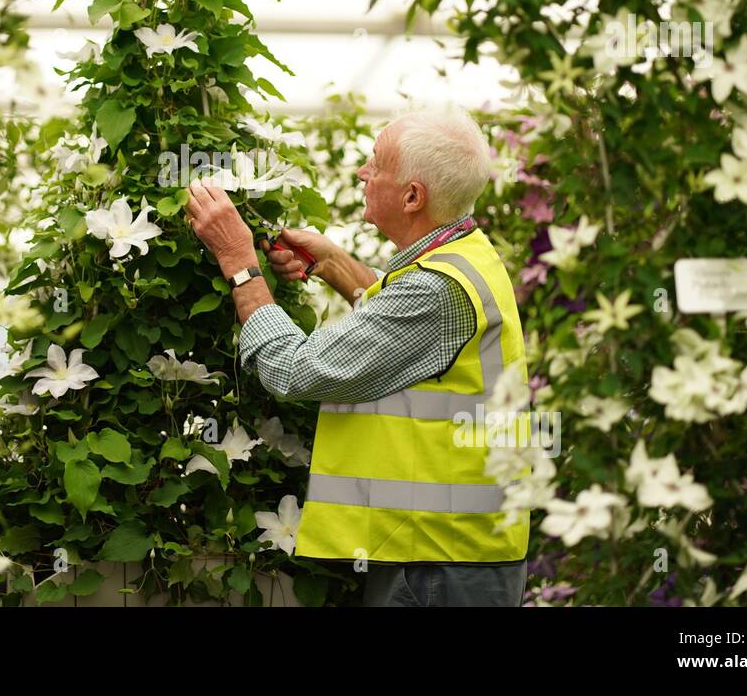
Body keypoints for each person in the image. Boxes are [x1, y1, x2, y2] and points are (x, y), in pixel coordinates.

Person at [184, 101, 531, 607]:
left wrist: (239, 261)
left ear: (412, 196)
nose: (362, 172)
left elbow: (293, 369)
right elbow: (409, 341)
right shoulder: (463, 256)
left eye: (376, 163)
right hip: (451, 552)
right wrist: (334, 263)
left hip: (437, 567)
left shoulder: (436, 290)